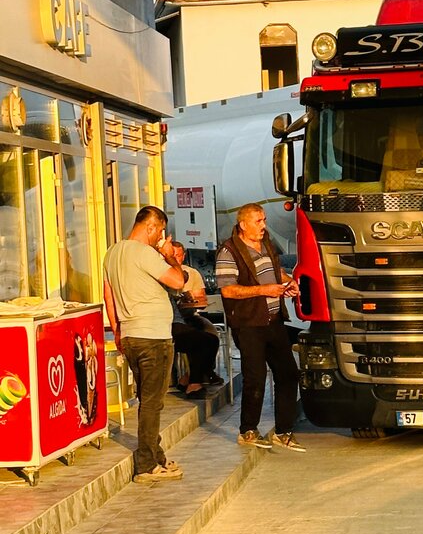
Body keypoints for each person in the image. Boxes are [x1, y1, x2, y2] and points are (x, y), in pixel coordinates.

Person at [103, 206, 186, 482]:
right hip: (153, 337)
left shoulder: (112, 253)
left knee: (147, 399)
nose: (160, 236)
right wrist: (170, 256)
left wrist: (117, 331)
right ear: (150, 227)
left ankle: (157, 454)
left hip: (131, 335)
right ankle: (146, 465)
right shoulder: (145, 253)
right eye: (160, 231)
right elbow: (179, 282)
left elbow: (109, 296)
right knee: (153, 402)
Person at [215, 203, 304, 451]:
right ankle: (248, 430)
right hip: (248, 323)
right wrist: (264, 291)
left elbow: (275, 272)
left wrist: (289, 283)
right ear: (243, 225)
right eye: (258, 221)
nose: (263, 225)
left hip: (273, 320)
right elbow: (228, 289)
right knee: (255, 376)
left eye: (264, 220)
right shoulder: (228, 251)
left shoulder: (265, 245)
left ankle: (284, 430)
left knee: (288, 374)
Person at [169, 241, 221, 398]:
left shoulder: (192, 273)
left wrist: (189, 299)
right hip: (173, 321)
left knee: (211, 333)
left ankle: (196, 376)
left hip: (192, 315)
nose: (177, 259)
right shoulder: (165, 273)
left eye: (179, 255)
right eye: (173, 256)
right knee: (203, 340)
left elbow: (201, 298)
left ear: (184, 256)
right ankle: (196, 380)